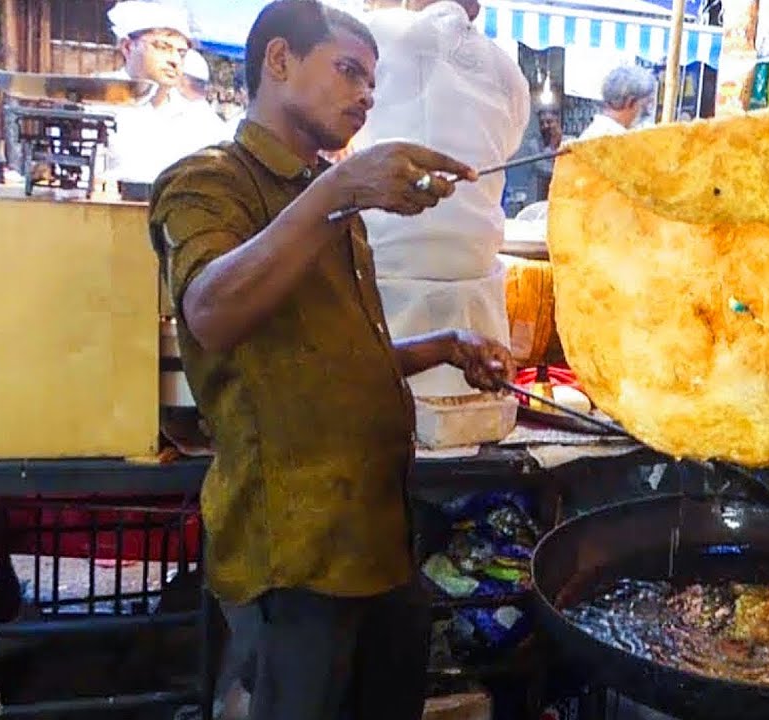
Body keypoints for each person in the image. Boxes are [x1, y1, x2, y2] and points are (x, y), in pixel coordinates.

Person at [147, 1, 514, 718]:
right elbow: (212, 314)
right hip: (295, 554)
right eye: (348, 72)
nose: (366, 96)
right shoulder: (209, 182)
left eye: (373, 84)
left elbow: (334, 358)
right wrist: (337, 191)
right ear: (279, 61)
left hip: (378, 539)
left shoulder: (327, 201)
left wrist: (444, 349)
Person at [355, 0, 530, 399]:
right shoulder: (509, 71)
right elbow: (505, 148)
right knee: (476, 433)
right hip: (478, 305)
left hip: (385, 298)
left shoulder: (371, 37)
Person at [98, 1, 228, 186]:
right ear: (128, 47)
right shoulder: (96, 102)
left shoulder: (200, 118)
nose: (174, 60)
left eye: (181, 53)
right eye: (162, 47)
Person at [579, 65, 658, 140]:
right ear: (631, 102)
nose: (649, 110)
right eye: (648, 102)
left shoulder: (595, 133)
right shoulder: (605, 139)